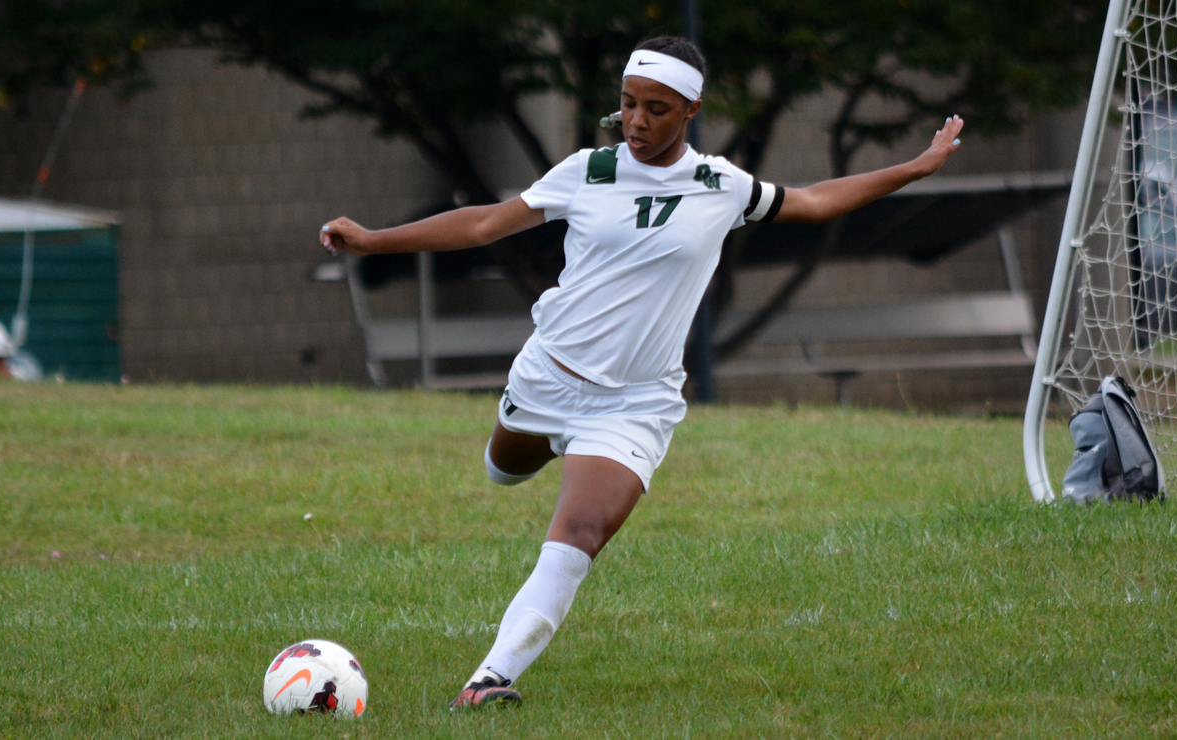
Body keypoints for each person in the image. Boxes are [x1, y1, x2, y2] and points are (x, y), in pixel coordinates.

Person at [318, 35, 966, 709]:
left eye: (656, 109)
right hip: (546, 379)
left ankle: (489, 680)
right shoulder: (588, 170)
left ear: (690, 110)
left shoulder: (722, 185)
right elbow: (485, 224)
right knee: (502, 470)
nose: (636, 122)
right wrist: (374, 239)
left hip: (633, 404)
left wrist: (916, 166)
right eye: (627, 104)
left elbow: (816, 200)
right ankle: (518, 444)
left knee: (579, 534)